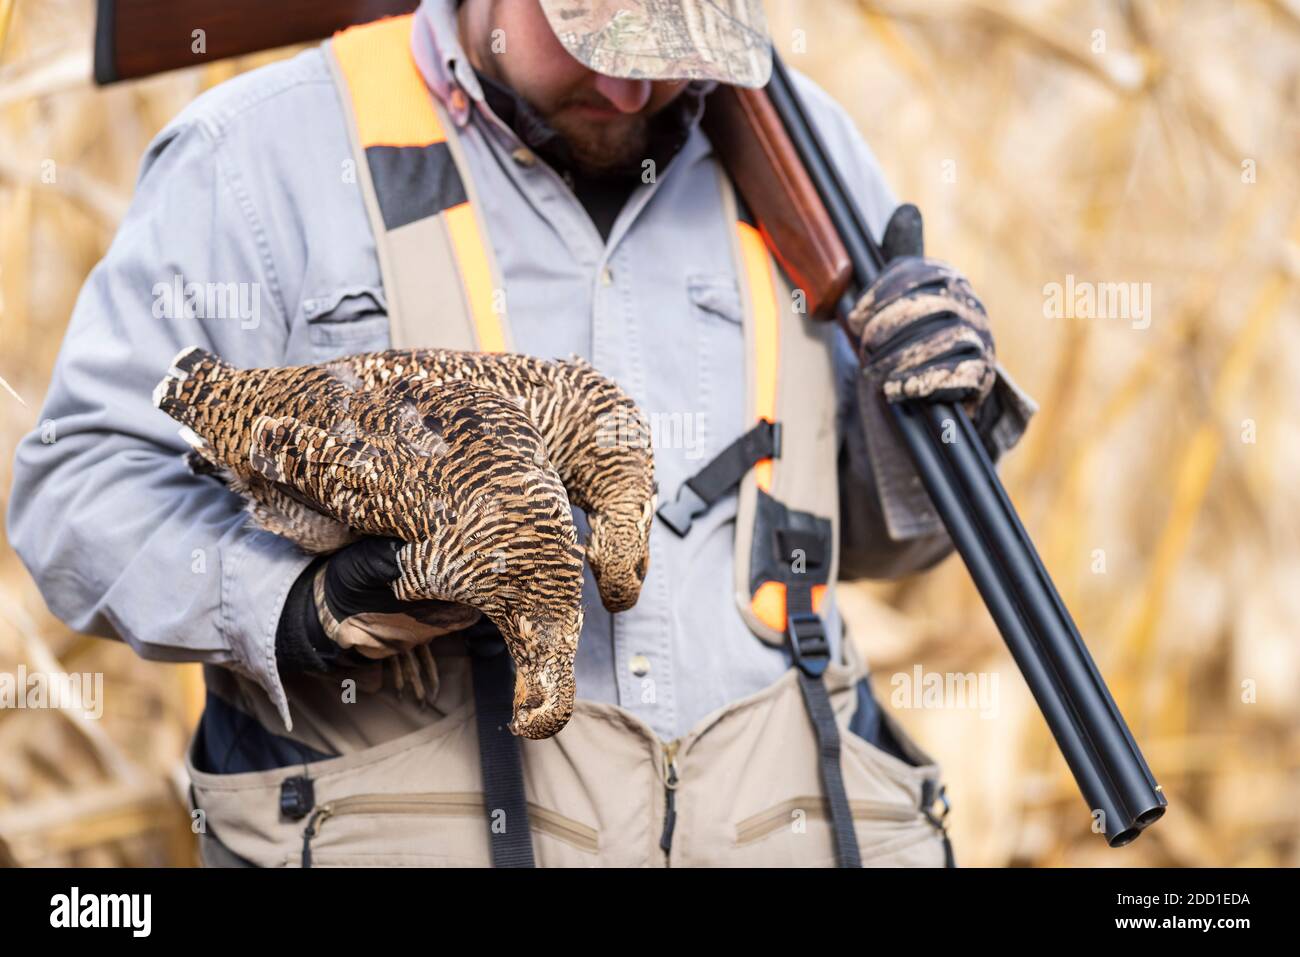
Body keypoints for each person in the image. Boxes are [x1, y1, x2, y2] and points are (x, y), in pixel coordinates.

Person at [8, 0, 1033, 867]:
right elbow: (77, 493)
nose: (632, 92)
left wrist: (925, 425)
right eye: (597, 37)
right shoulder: (257, 157)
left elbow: (872, 541)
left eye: (670, 53)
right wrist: (296, 611)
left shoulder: (807, 156)